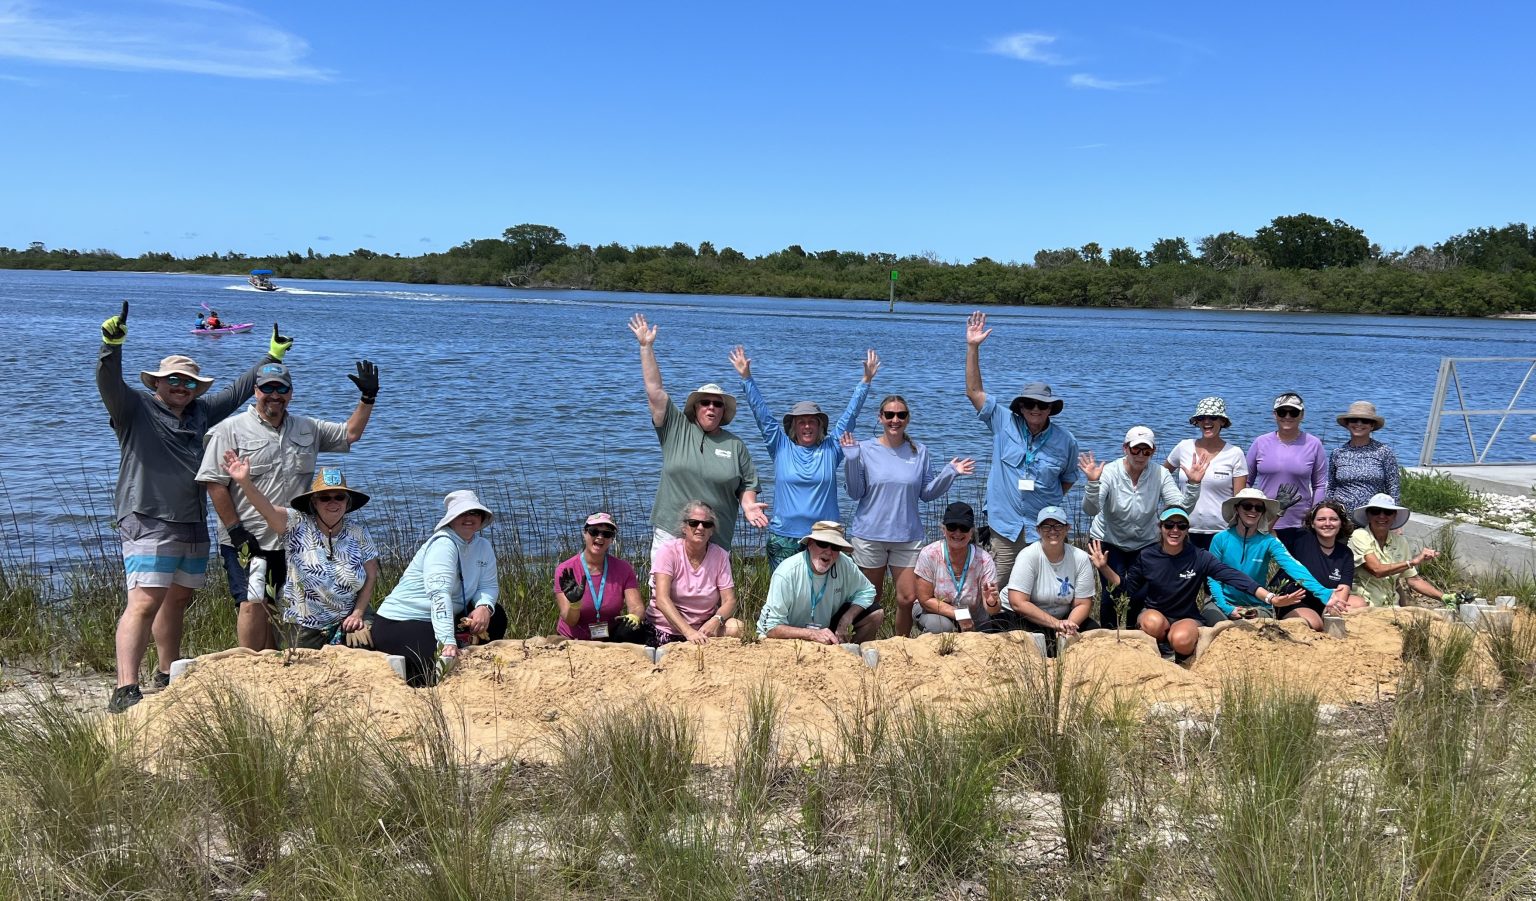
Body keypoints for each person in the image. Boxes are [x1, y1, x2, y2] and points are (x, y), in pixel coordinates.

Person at [96, 302, 287, 713]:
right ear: (158, 383)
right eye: (173, 381)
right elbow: (109, 384)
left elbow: (239, 391)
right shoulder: (134, 409)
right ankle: (125, 687)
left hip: (193, 520)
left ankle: (166, 673)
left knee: (177, 600)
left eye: (188, 382)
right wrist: (111, 346)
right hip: (147, 517)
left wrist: (271, 357)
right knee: (143, 601)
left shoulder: (200, 412)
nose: (181, 387)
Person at [198, 358, 379, 650]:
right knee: (252, 602)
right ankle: (248, 666)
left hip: (297, 540)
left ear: (290, 393)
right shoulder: (229, 430)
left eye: (281, 388)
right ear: (255, 391)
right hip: (249, 537)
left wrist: (367, 398)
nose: (274, 394)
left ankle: (273, 659)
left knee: (283, 604)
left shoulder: (307, 428)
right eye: (267, 388)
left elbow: (351, 434)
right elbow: (214, 483)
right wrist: (235, 531)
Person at [628, 314, 767, 561]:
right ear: (696, 407)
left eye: (717, 404)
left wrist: (748, 505)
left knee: (708, 599)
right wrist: (646, 347)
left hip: (715, 539)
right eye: (705, 403)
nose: (711, 408)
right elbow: (655, 392)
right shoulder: (675, 428)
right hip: (671, 532)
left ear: (724, 411)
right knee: (661, 597)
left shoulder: (735, 445)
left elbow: (747, 485)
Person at [730, 345, 877, 572]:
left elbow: (850, 415)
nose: (807, 425)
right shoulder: (780, 446)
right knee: (786, 600)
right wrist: (746, 378)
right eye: (801, 421)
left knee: (824, 599)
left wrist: (865, 381)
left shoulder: (831, 449)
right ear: (793, 426)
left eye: (812, 421)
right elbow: (762, 415)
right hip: (784, 537)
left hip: (825, 536)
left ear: (820, 426)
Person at [963, 311, 1079, 585]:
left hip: (1043, 527)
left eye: (1042, 405)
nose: (1035, 409)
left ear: (1051, 408)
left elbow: (1068, 480)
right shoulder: (1003, 421)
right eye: (1029, 404)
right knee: (995, 586)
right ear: (1021, 407)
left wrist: (1044, 496)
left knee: (1039, 587)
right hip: (1005, 526)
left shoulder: (1066, 441)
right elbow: (973, 392)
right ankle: (993, 628)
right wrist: (972, 347)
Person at [843, 394, 974, 637]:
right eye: (889, 415)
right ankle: (865, 643)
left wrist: (950, 473)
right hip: (870, 535)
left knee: (908, 598)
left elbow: (927, 493)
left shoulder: (920, 452)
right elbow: (854, 492)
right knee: (870, 597)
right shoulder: (863, 449)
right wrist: (850, 461)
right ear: (880, 418)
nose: (895, 419)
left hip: (907, 536)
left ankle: (900, 644)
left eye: (901, 415)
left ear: (907, 419)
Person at [1090, 507, 1292, 661]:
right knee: (1152, 623)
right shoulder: (1147, 555)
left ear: (1187, 530)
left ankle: (1180, 657)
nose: (1175, 530)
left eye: (1181, 526)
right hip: (1155, 612)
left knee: (1182, 640)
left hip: (1186, 616)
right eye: (1169, 525)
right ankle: (1160, 651)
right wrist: (1104, 568)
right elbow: (1127, 588)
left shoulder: (1199, 556)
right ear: (1160, 528)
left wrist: (1270, 598)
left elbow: (1232, 576)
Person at [220, 454, 379, 648]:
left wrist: (358, 613)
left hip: (349, 619)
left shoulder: (359, 532)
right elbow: (266, 508)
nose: (333, 502)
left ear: (348, 502)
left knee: (370, 648)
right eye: (325, 497)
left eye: (339, 497)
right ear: (314, 502)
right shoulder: (296, 524)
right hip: (304, 625)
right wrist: (244, 482)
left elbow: (371, 576)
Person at [1080, 426, 1205, 627]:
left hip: (1145, 542)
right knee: (1113, 592)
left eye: (1146, 450)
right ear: (1125, 448)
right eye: (1135, 449)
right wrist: (1093, 484)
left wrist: (1193, 485)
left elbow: (1179, 509)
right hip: (1108, 539)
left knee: (1140, 594)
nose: (1140, 455)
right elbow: (1091, 509)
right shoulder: (1110, 473)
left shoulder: (1160, 474)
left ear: (1153, 451)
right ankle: (1109, 637)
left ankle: (1133, 634)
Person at [373, 491, 501, 686]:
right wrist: (447, 641)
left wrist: (484, 607)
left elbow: (488, 585)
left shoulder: (483, 546)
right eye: (462, 513)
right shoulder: (443, 544)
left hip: (447, 617)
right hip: (402, 620)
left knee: (497, 615)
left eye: (474, 513)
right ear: (451, 519)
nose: (469, 518)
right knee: (437, 667)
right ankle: (401, 666)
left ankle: (462, 647)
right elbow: (439, 596)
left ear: (481, 518)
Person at [1202, 488, 1333, 631]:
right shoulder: (1220, 539)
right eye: (1247, 506)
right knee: (1219, 624)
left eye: (1258, 508)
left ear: (1263, 513)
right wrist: (1227, 608)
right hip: (1222, 603)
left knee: (1255, 629)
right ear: (1236, 509)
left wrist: (1323, 592)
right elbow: (1213, 577)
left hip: (1257, 605)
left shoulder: (1269, 541)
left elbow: (1293, 566)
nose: (1253, 511)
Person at [757, 521, 884, 644]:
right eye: (823, 544)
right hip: (787, 635)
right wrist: (811, 634)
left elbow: (867, 591)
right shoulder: (787, 572)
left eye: (835, 547)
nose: (828, 552)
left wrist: (847, 618)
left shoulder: (844, 563)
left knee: (876, 613)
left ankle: (852, 657)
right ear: (810, 543)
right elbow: (770, 628)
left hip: (825, 630)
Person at [999, 506, 1099, 647]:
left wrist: (1069, 625)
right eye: (1046, 527)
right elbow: (1018, 603)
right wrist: (1056, 624)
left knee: (1093, 631)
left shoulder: (1080, 558)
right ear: (1038, 530)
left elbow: (1083, 603)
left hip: (1063, 618)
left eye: (1058, 526)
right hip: (1023, 616)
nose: (1052, 531)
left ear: (1067, 528)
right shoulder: (1028, 555)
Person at [648, 502, 744, 645]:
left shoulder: (720, 556)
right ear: (684, 527)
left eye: (707, 524)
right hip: (669, 628)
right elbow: (662, 599)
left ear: (712, 530)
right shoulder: (668, 551)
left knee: (737, 627)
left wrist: (716, 620)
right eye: (694, 523)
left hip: (704, 628)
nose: (700, 527)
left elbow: (729, 600)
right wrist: (688, 632)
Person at [1246, 392, 1327, 550]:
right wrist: (1248, 511)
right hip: (1263, 521)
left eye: (1293, 412)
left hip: (1300, 523)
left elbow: (1320, 485)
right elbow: (1247, 481)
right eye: (1282, 412)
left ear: (1302, 415)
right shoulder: (1260, 442)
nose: (1287, 416)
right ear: (1275, 415)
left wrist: (1314, 516)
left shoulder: (1314, 444)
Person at [1164, 397, 1248, 549]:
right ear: (1197, 422)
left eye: (1213, 417)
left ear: (1222, 421)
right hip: (1184, 529)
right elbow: (1161, 476)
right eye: (1202, 418)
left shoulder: (1235, 453)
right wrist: (1172, 504)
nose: (1206, 422)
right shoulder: (1183, 447)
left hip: (1222, 532)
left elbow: (1240, 500)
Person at [554, 513, 647, 643]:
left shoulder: (624, 568)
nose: (600, 537)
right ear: (585, 533)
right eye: (594, 532)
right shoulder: (566, 570)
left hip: (609, 638)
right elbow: (571, 621)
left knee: (633, 630)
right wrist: (575, 604)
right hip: (574, 639)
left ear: (611, 539)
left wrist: (635, 617)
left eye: (606, 534)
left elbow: (637, 607)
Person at [1348, 494, 1454, 608]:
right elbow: (1377, 570)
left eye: (1388, 512)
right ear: (1368, 515)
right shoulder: (1359, 535)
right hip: (1365, 605)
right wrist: (1412, 562)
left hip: (1392, 606)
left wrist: (1443, 597)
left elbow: (1413, 580)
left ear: (1394, 516)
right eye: (1375, 511)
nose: (1381, 516)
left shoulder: (1400, 541)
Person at [912, 502, 999, 635]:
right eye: (952, 527)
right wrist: (960, 614)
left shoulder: (984, 560)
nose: (957, 533)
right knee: (941, 627)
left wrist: (992, 603)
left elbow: (992, 610)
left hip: (974, 619)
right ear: (943, 529)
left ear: (971, 531)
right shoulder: (929, 554)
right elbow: (925, 600)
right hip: (935, 612)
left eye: (964, 528)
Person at [1276, 500, 1366, 614]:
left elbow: (1343, 586)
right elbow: (1265, 532)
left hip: (1327, 601)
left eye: (1333, 519)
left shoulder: (1345, 553)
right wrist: (1277, 512)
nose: (1327, 523)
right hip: (1295, 600)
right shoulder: (1298, 538)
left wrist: (1335, 608)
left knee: (1359, 604)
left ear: (1341, 523)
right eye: (1321, 519)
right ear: (1312, 523)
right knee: (1314, 623)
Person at [1327, 401, 1400, 515]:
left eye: (1365, 420)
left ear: (1372, 425)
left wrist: (1395, 517)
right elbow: (1331, 487)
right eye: (1354, 420)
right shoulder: (1338, 453)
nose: (1359, 424)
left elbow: (1393, 487)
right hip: (1341, 517)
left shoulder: (1383, 451)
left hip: (1372, 517)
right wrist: (1329, 513)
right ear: (1347, 424)